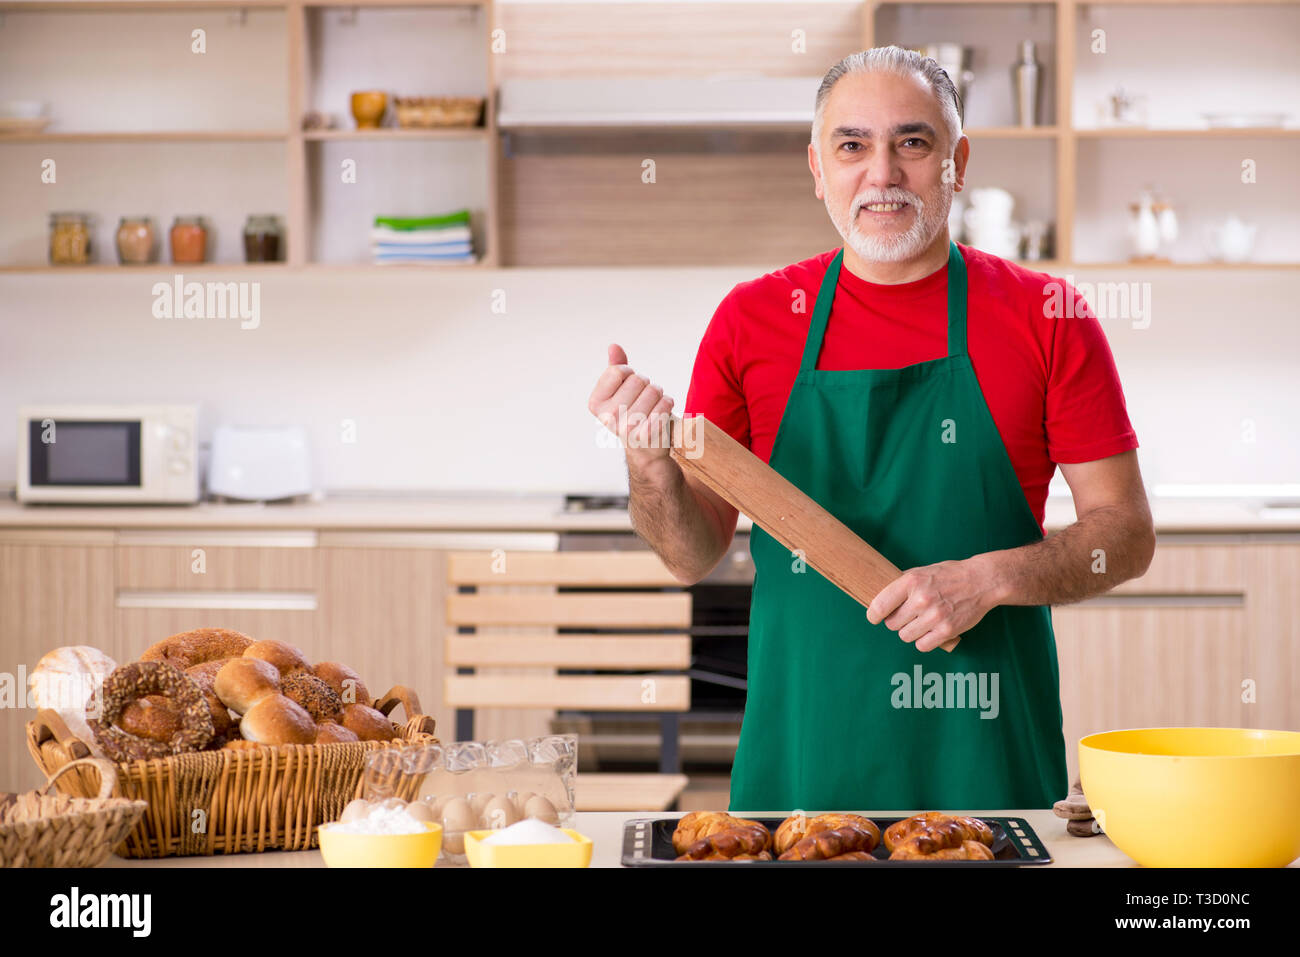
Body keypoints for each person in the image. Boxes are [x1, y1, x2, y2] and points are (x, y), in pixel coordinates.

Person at [587, 46, 1155, 813]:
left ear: (956, 162)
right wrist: (649, 469)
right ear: (818, 168)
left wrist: (986, 580)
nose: (881, 173)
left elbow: (1124, 533)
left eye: (912, 143)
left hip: (983, 757)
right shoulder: (751, 321)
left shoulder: (1048, 316)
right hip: (805, 761)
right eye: (852, 146)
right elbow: (692, 554)